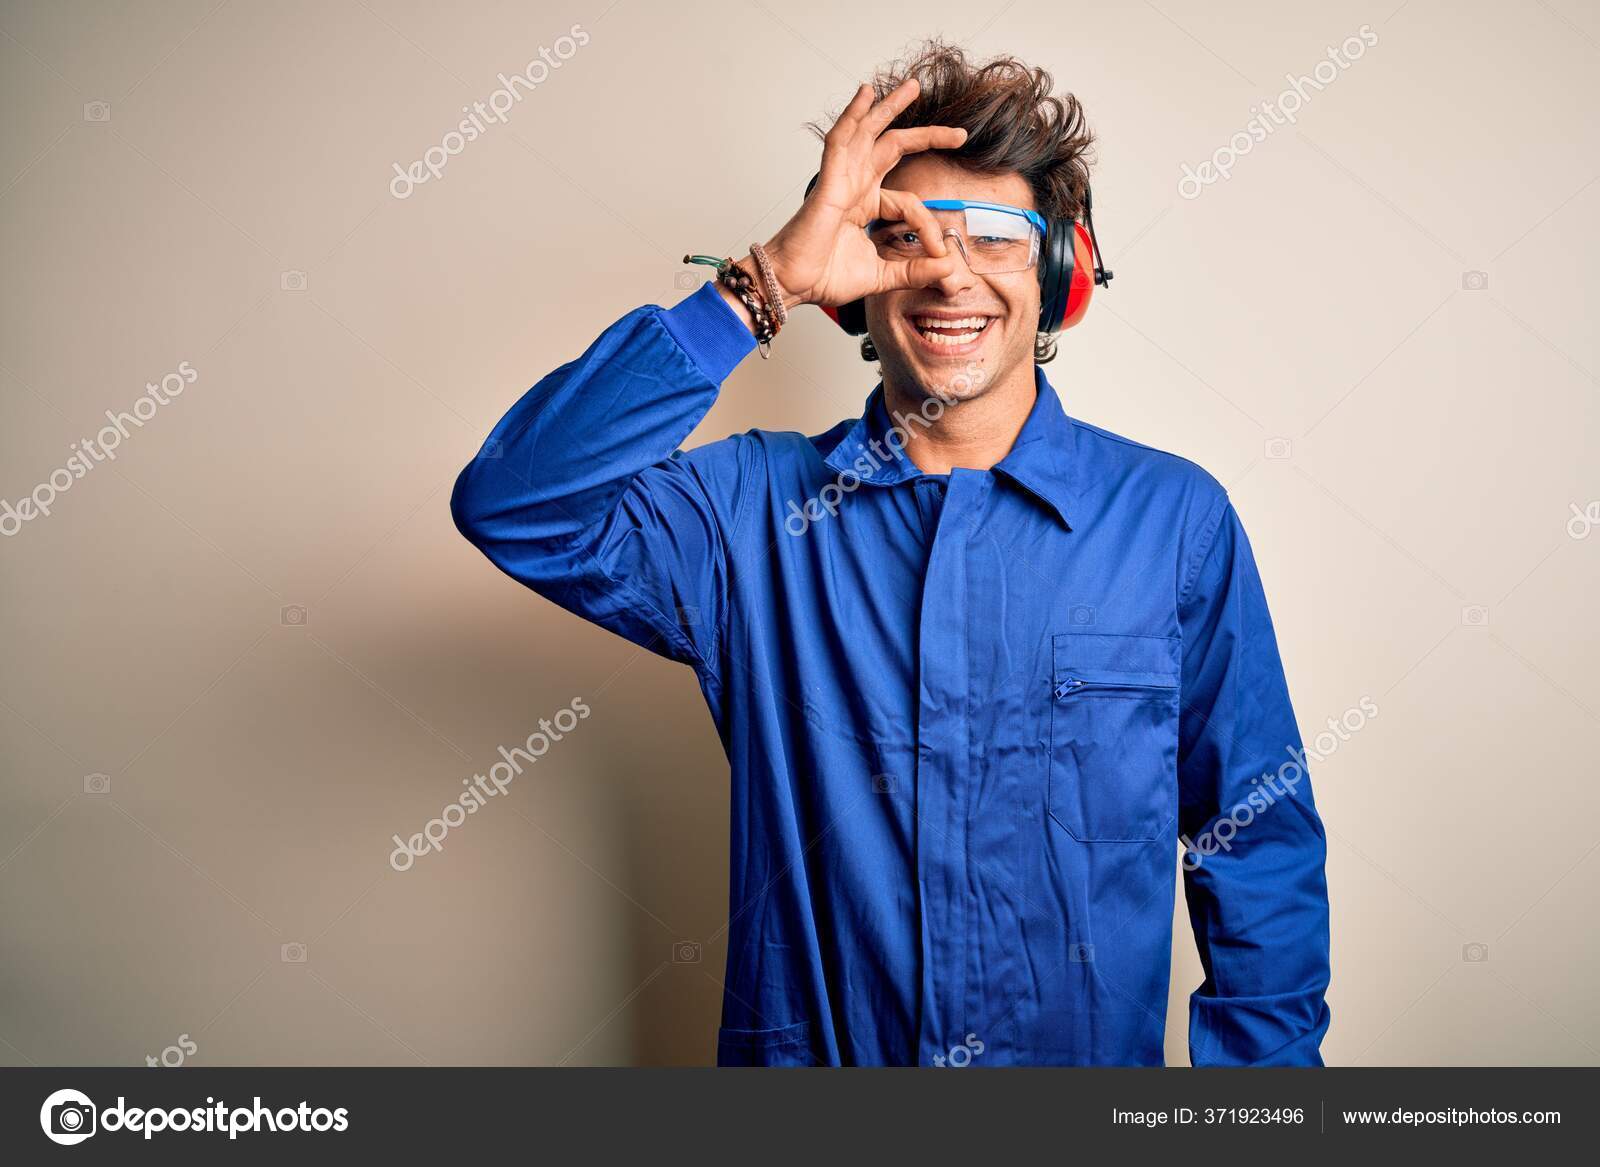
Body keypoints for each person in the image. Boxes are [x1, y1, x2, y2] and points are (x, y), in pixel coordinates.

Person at [452, 42, 1330, 1066]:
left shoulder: (1174, 521)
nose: (948, 272)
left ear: (1061, 274)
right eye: (904, 237)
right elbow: (519, 503)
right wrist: (762, 283)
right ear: (847, 284)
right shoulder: (749, 513)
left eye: (996, 237)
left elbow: (1254, 838)